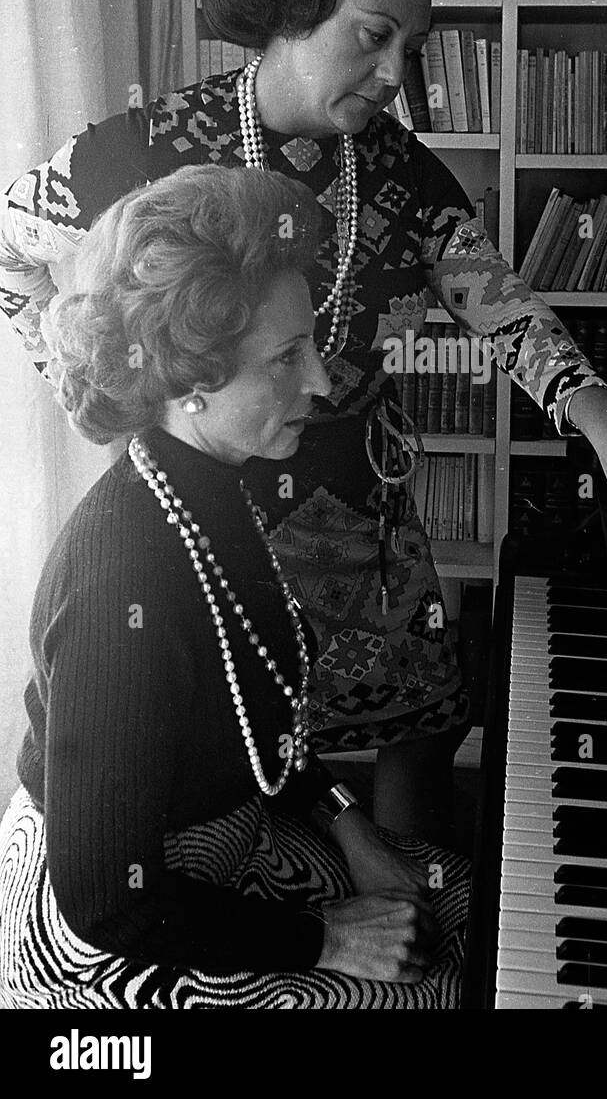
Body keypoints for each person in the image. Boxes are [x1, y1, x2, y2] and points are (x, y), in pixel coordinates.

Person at [0, 0, 607, 841]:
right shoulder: (147, 145)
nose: (398, 73)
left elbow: (500, 304)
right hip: (206, 507)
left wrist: (604, 424)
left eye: (412, 44)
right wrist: (105, 390)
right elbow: (15, 255)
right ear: (293, 3)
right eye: (372, 34)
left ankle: (424, 931)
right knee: (233, 741)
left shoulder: (402, 168)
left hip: (362, 514)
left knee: (419, 730)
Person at [0, 164, 468, 1010]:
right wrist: (329, 937)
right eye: (287, 359)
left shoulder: (219, 484)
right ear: (189, 382)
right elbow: (108, 898)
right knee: (440, 992)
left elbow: (260, 715)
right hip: (116, 938)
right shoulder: (122, 579)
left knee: (461, 902)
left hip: (224, 841)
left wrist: (348, 823)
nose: (322, 383)